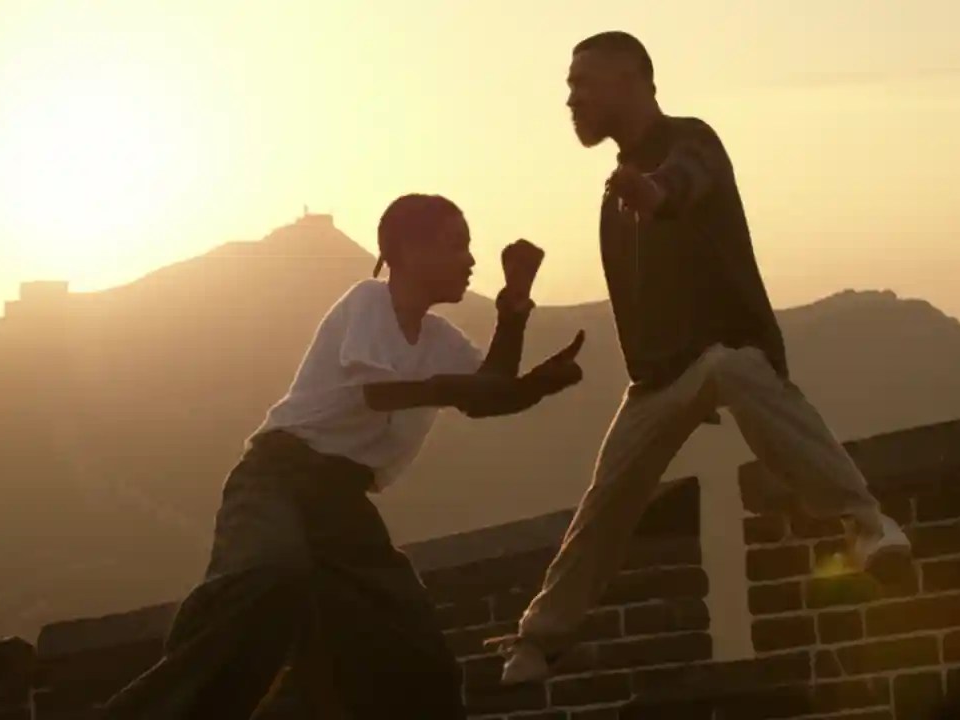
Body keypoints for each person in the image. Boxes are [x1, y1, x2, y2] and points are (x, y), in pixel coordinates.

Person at [495, 32, 913, 684]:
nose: (571, 99)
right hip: (659, 378)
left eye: (583, 83)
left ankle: (865, 524)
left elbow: (686, 177)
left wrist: (657, 195)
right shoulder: (610, 198)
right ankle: (539, 639)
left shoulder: (692, 139)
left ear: (631, 80)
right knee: (606, 497)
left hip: (728, 352)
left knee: (733, 368)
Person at [101, 193, 586, 718]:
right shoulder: (368, 303)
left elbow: (489, 391)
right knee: (267, 577)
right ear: (407, 251)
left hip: (342, 503)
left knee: (415, 650)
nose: (470, 260)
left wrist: (515, 313)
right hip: (275, 478)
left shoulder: (439, 338)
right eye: (456, 245)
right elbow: (384, 393)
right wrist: (490, 389)